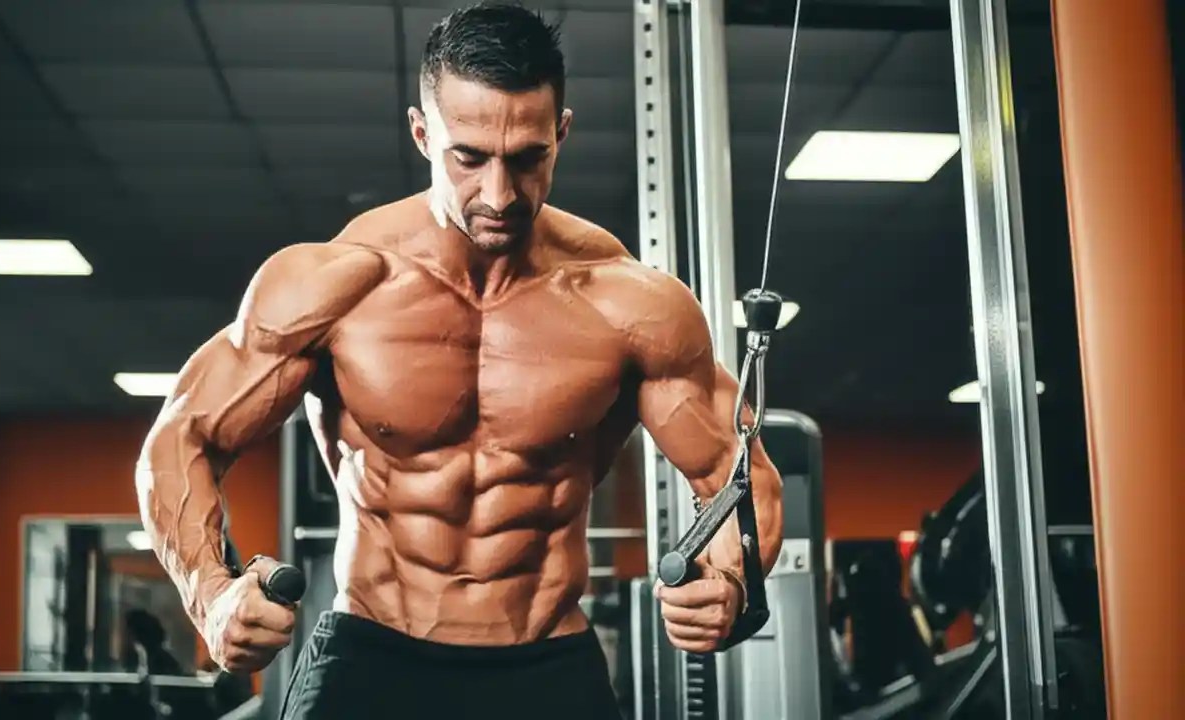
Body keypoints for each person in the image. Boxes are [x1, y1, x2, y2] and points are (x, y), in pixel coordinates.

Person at [135, 3, 783, 718]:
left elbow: (738, 474)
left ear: (560, 135)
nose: (499, 195)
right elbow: (181, 437)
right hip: (372, 653)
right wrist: (212, 594)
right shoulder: (336, 287)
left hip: (548, 662)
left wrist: (730, 584)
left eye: (528, 158)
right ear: (422, 133)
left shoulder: (629, 305)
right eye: (468, 157)